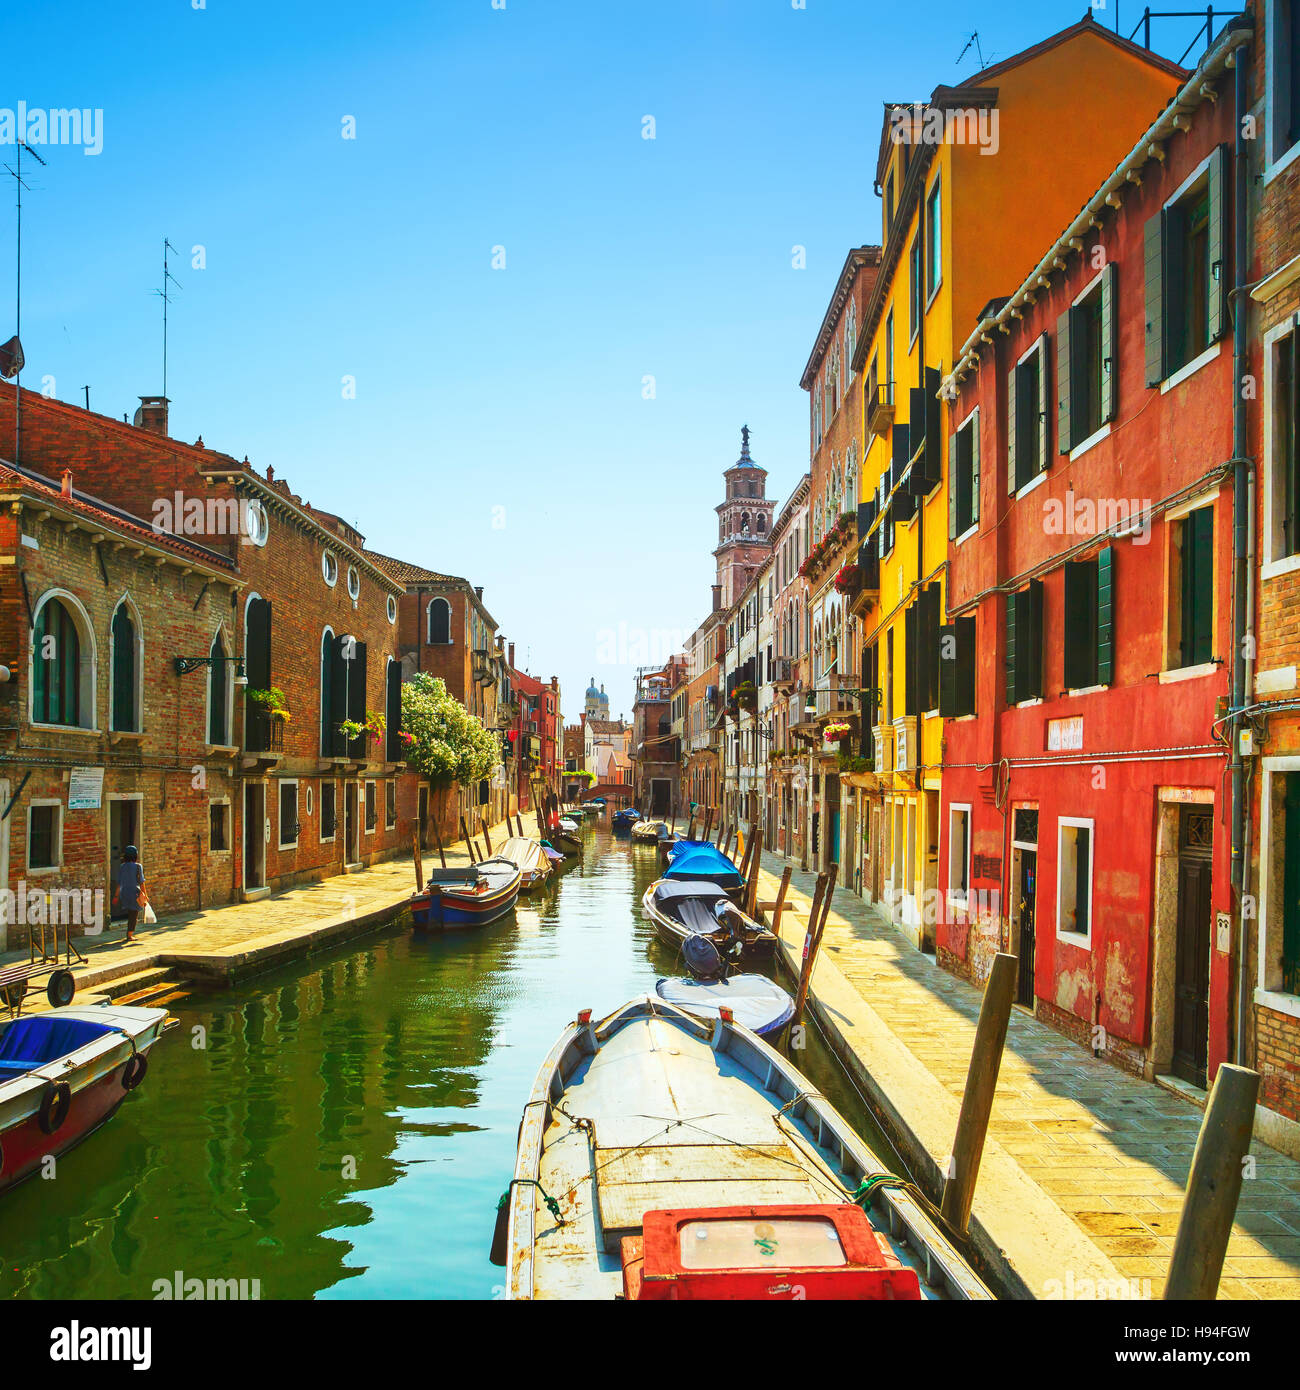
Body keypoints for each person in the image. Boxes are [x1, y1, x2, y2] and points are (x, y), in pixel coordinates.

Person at [114, 845, 146, 943]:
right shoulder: (138, 866)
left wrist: (116, 896)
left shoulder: (122, 866)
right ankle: (129, 935)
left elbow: (119, 882)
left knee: (130, 912)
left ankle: (129, 933)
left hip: (124, 893)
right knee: (134, 914)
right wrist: (145, 894)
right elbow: (141, 882)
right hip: (134, 893)